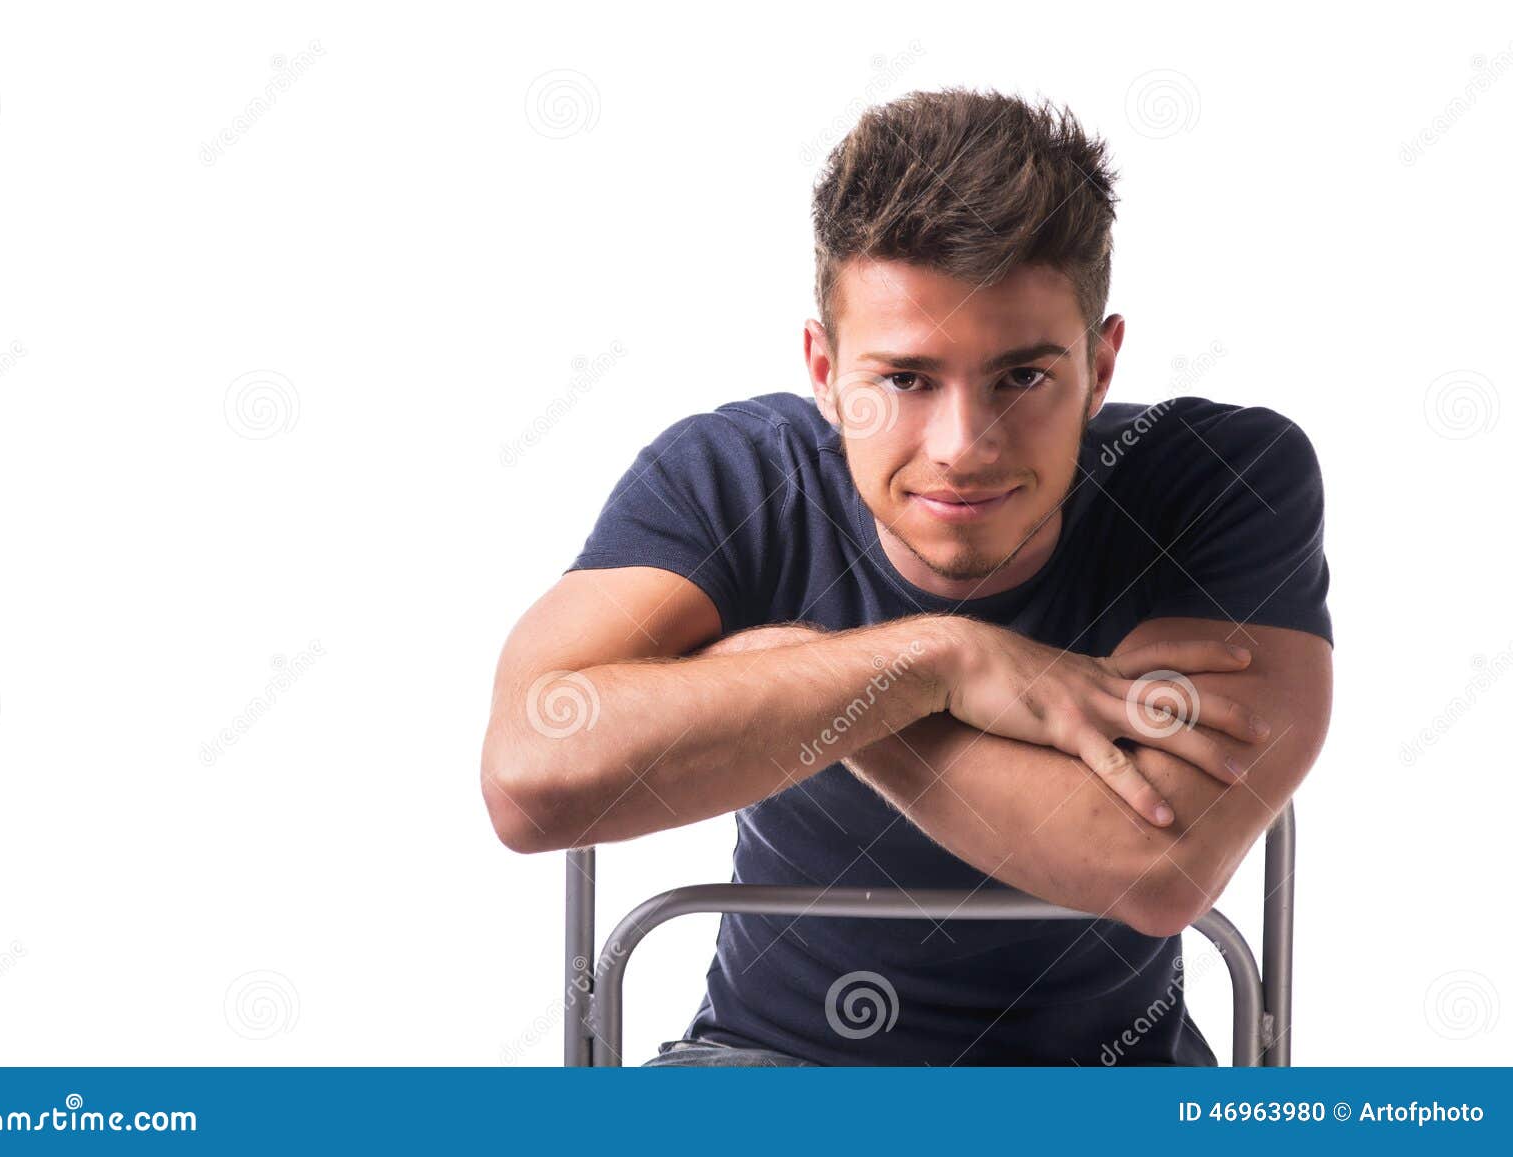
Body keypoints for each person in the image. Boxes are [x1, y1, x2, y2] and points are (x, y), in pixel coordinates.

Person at [480, 87, 1333, 1067]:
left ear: (1099, 369)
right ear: (824, 368)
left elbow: (1156, 864)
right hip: (762, 1067)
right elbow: (528, 778)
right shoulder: (735, 477)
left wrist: (810, 684)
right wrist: (942, 658)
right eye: (904, 379)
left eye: (1022, 376)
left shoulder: (1212, 480)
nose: (963, 446)